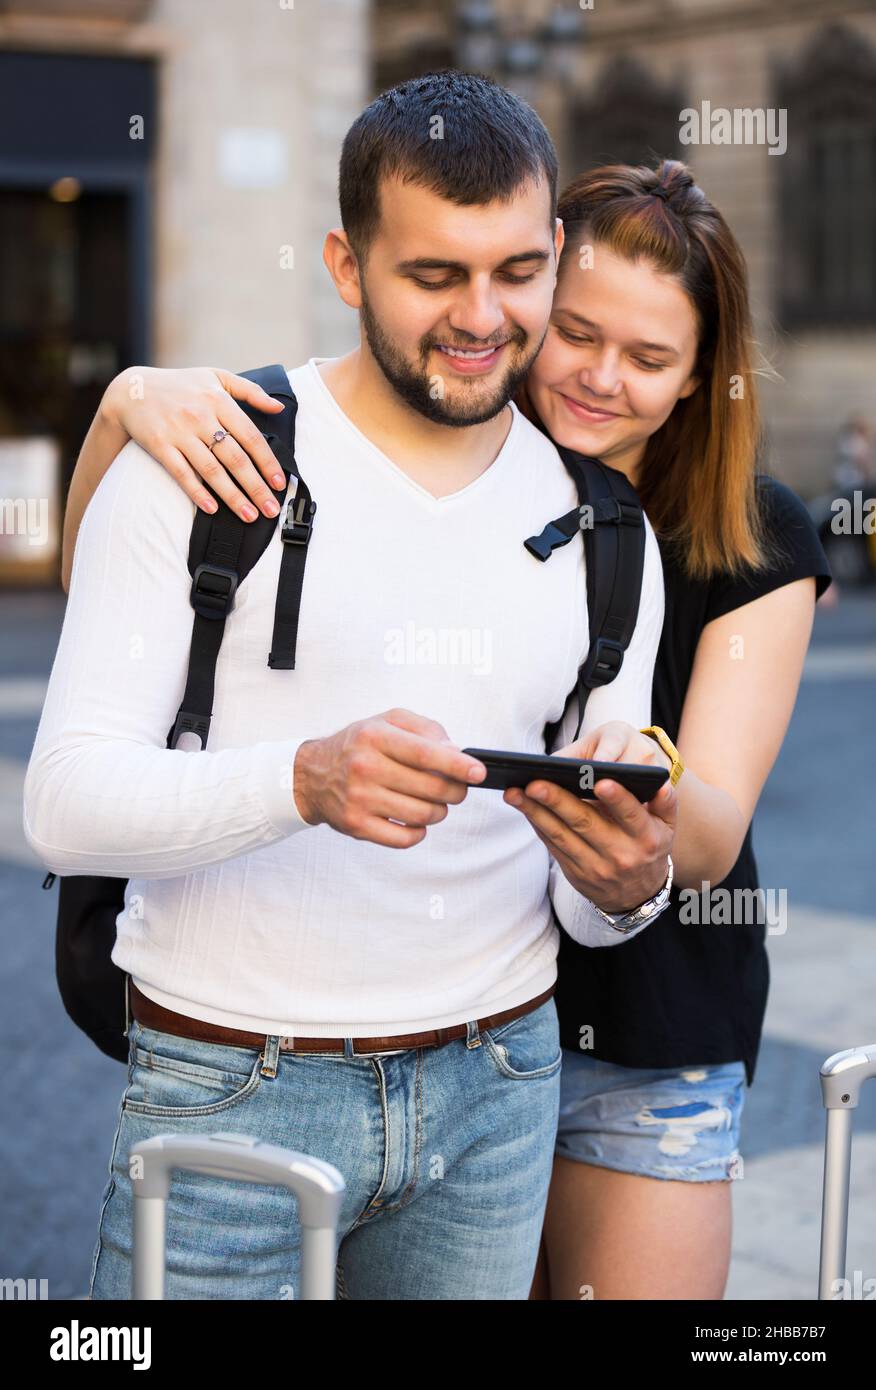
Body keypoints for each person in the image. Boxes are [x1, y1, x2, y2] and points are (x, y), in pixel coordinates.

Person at [81, 153, 833, 1301]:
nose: (599, 377)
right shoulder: (426, 461)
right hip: (428, 1017)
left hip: (645, 1018)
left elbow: (716, 820)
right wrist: (124, 400)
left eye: (649, 358)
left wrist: (638, 811)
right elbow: (118, 587)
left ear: (698, 379)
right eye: (576, 331)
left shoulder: (752, 531)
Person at [25, 72, 676, 1302]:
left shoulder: (605, 530)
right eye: (434, 275)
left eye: (518, 272)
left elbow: (597, 901)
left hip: (500, 1090)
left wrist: (629, 884)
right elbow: (61, 803)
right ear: (344, 262)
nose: (483, 317)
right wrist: (302, 781)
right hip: (228, 1094)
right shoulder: (207, 454)